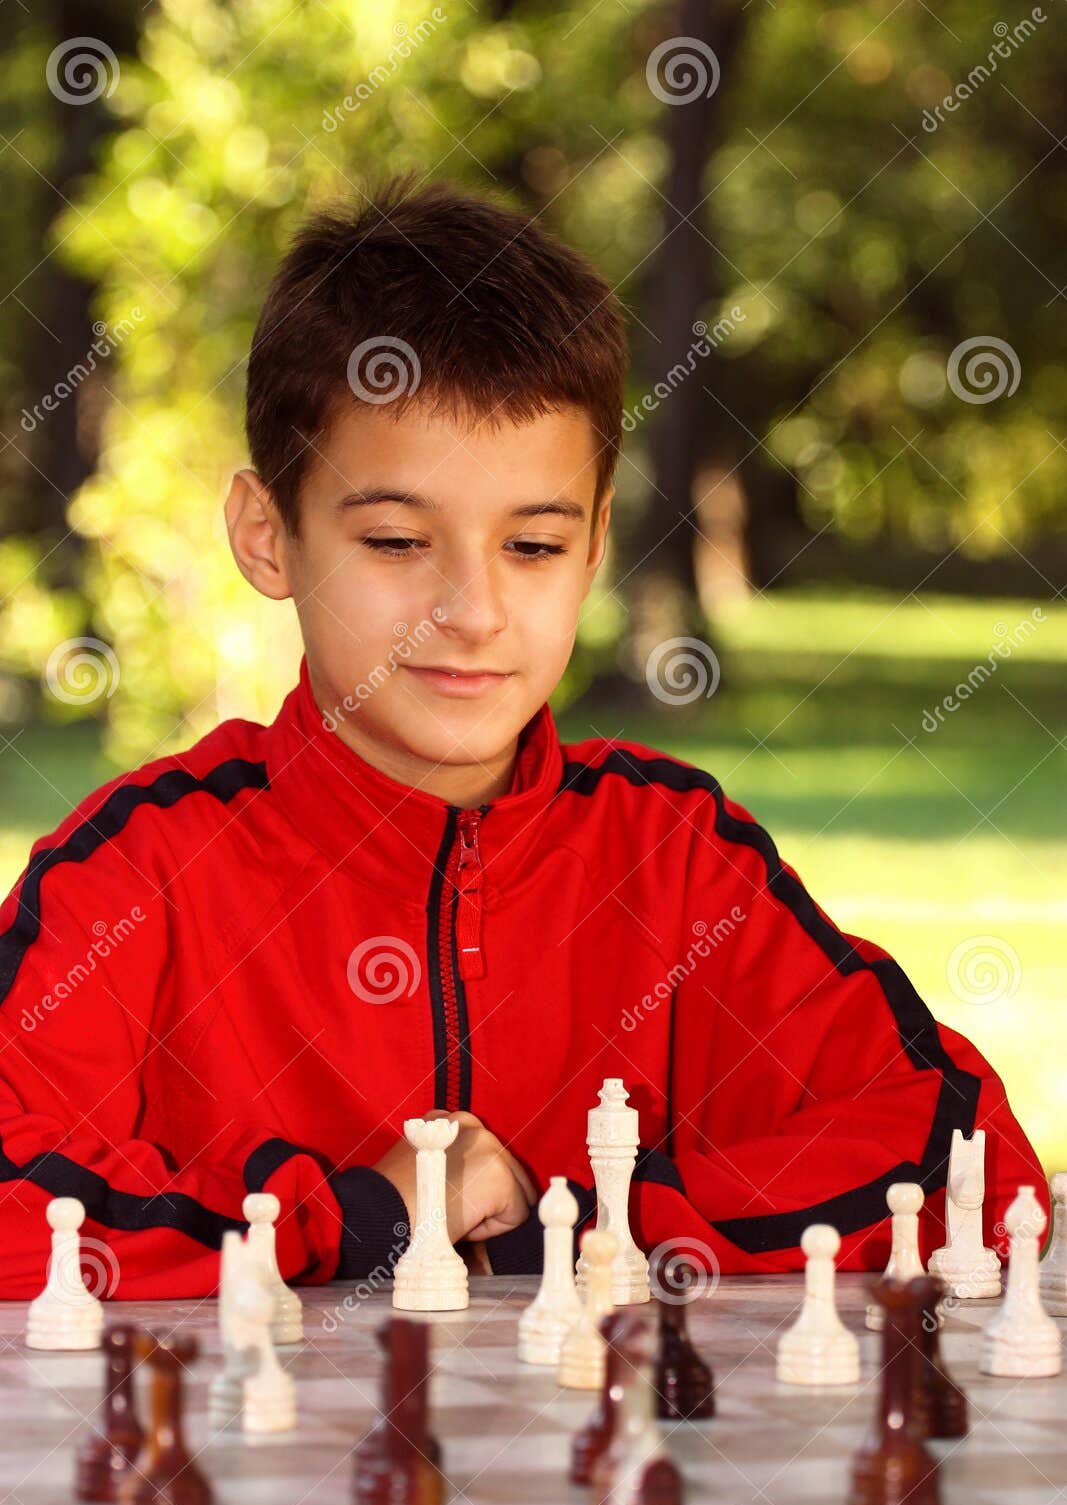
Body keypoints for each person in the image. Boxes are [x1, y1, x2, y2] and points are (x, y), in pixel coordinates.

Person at [0, 177, 1043, 1298]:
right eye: (398, 542)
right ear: (268, 537)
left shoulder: (676, 859)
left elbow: (961, 1151)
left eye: (532, 547)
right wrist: (357, 1219)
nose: (474, 611)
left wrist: (581, 1216)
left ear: (595, 542)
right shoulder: (145, 867)